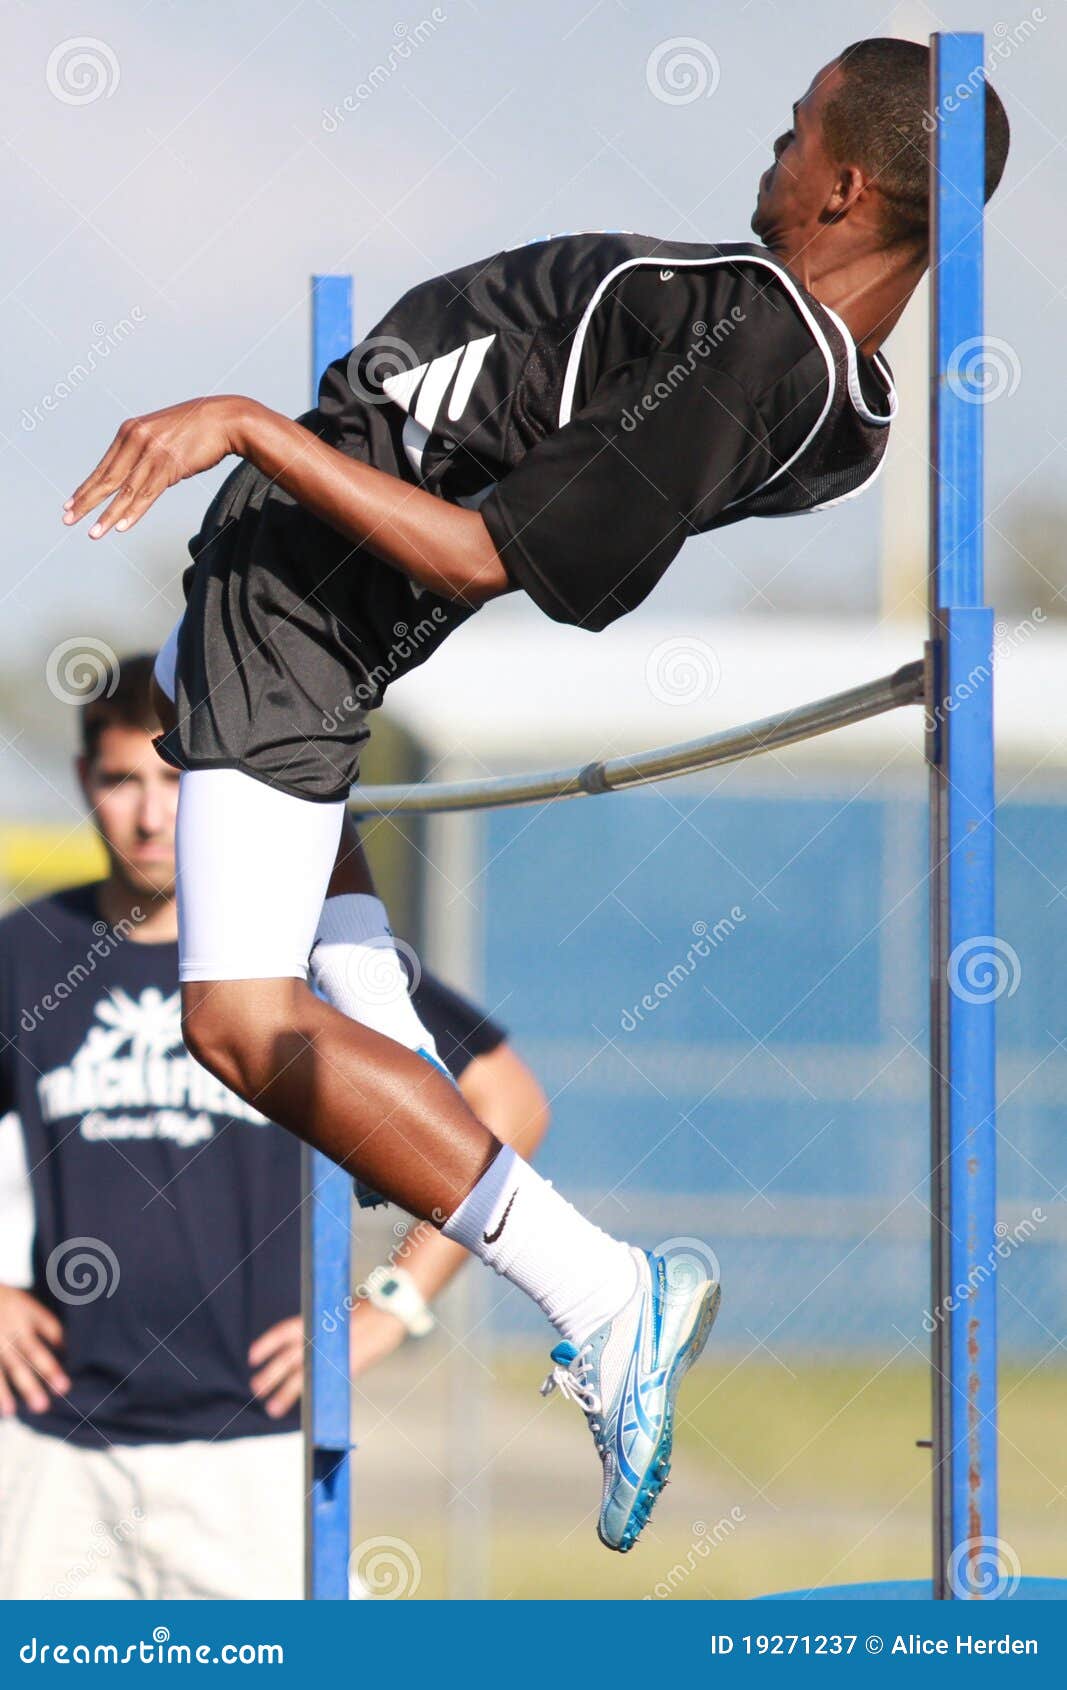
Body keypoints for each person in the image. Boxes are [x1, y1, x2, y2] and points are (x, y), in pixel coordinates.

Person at [62, 40, 1010, 1553]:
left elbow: (486, 556)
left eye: (787, 135)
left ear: (842, 186)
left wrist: (251, 424)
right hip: (310, 611)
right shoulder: (842, 409)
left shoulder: (757, 341)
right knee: (277, 899)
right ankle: (397, 1088)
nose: (760, 159)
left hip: (303, 598)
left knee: (235, 1024)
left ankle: (598, 1291)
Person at [0, 658, 549, 1599]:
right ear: (86, 779)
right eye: (122, 779)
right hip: (56, 1442)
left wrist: (390, 1308)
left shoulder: (286, 948)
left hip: (252, 1444)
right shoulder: (25, 951)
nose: (148, 812)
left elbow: (510, 1100)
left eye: (174, 781)